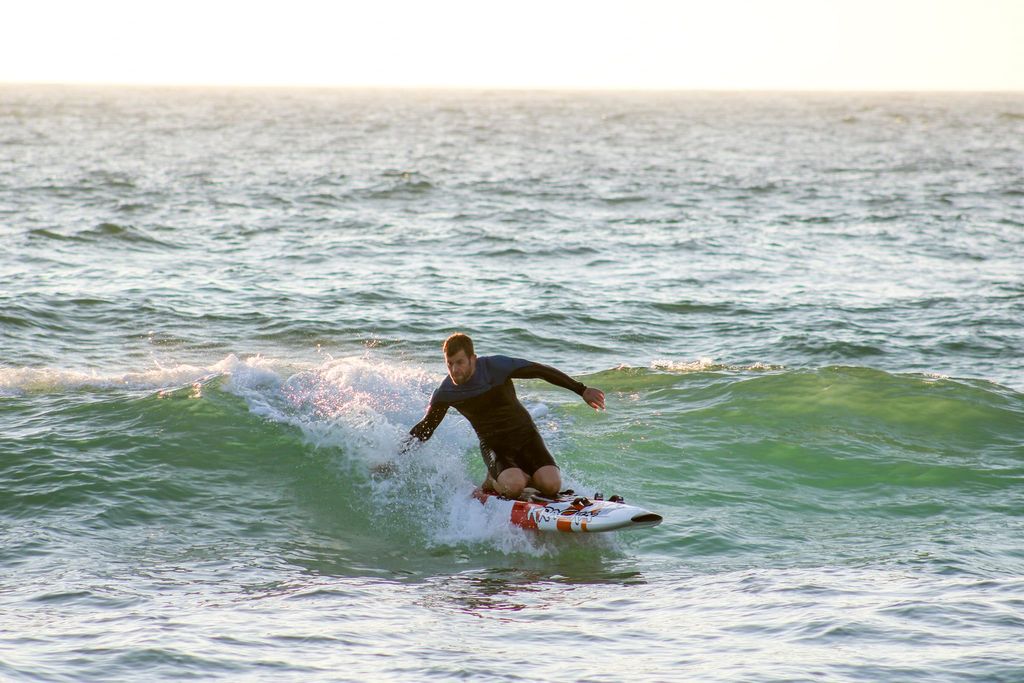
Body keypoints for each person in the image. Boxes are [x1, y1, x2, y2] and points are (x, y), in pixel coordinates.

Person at [404, 332, 605, 499]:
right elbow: (425, 429)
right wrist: (397, 458)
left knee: (552, 485)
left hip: (526, 435)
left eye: (460, 362)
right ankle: (493, 480)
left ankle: (523, 476)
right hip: (494, 445)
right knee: (514, 487)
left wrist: (581, 390)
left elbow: (539, 370)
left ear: (473, 359)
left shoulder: (496, 367)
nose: (455, 370)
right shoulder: (446, 393)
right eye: (449, 364)